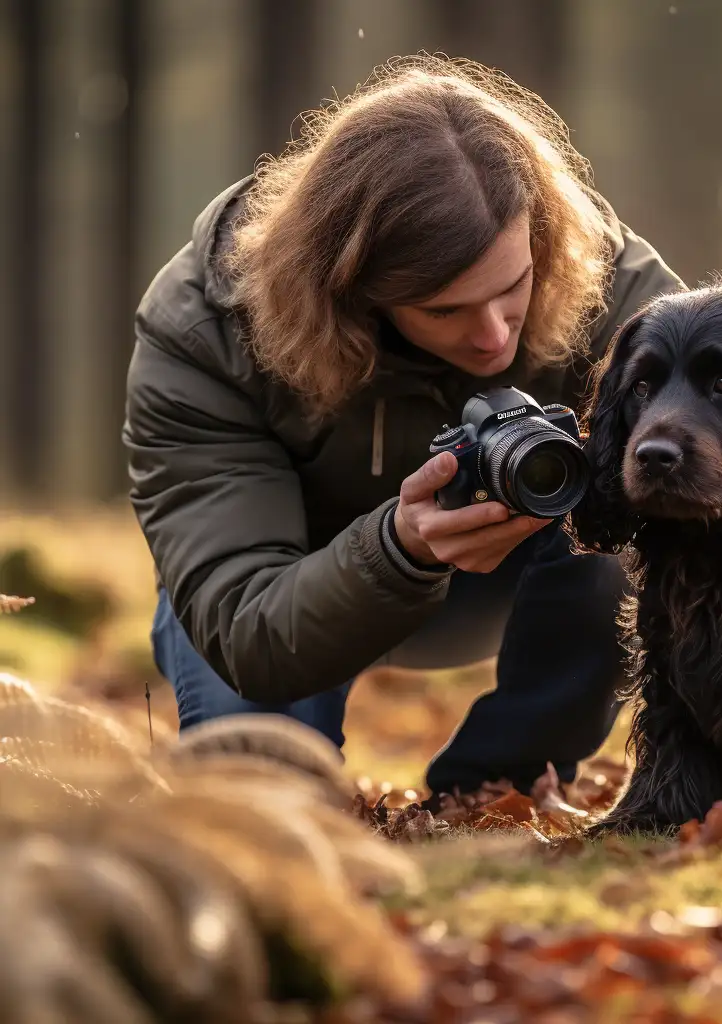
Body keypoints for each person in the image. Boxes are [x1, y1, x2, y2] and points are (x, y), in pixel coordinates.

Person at [122, 54, 685, 802]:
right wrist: (398, 549)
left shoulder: (609, 281)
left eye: (512, 288)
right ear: (349, 291)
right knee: (266, 797)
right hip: (283, 590)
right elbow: (247, 624)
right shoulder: (207, 333)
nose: (492, 338)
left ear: (541, 241)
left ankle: (494, 787)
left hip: (522, 580)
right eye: (444, 309)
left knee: (639, 541)